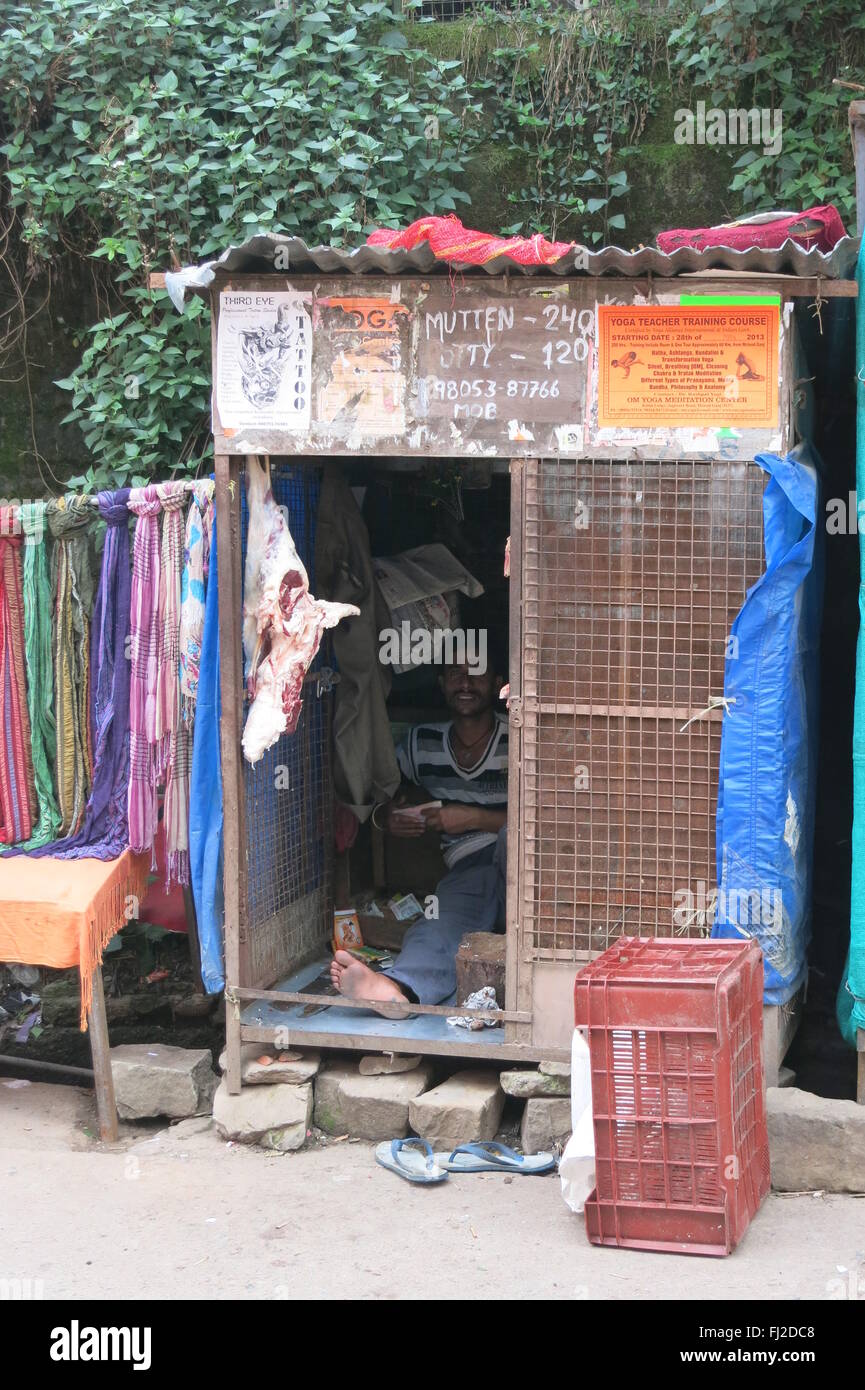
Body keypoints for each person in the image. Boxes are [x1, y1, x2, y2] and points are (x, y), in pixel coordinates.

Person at [330, 660, 508, 1011]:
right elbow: (379, 801)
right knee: (437, 926)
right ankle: (398, 989)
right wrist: (389, 819)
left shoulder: (519, 735)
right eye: (455, 674)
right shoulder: (420, 743)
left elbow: (551, 816)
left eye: (477, 672)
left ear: (499, 682)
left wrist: (472, 817)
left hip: (525, 860)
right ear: (440, 683)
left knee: (510, 839)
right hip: (469, 869)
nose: (466, 683)